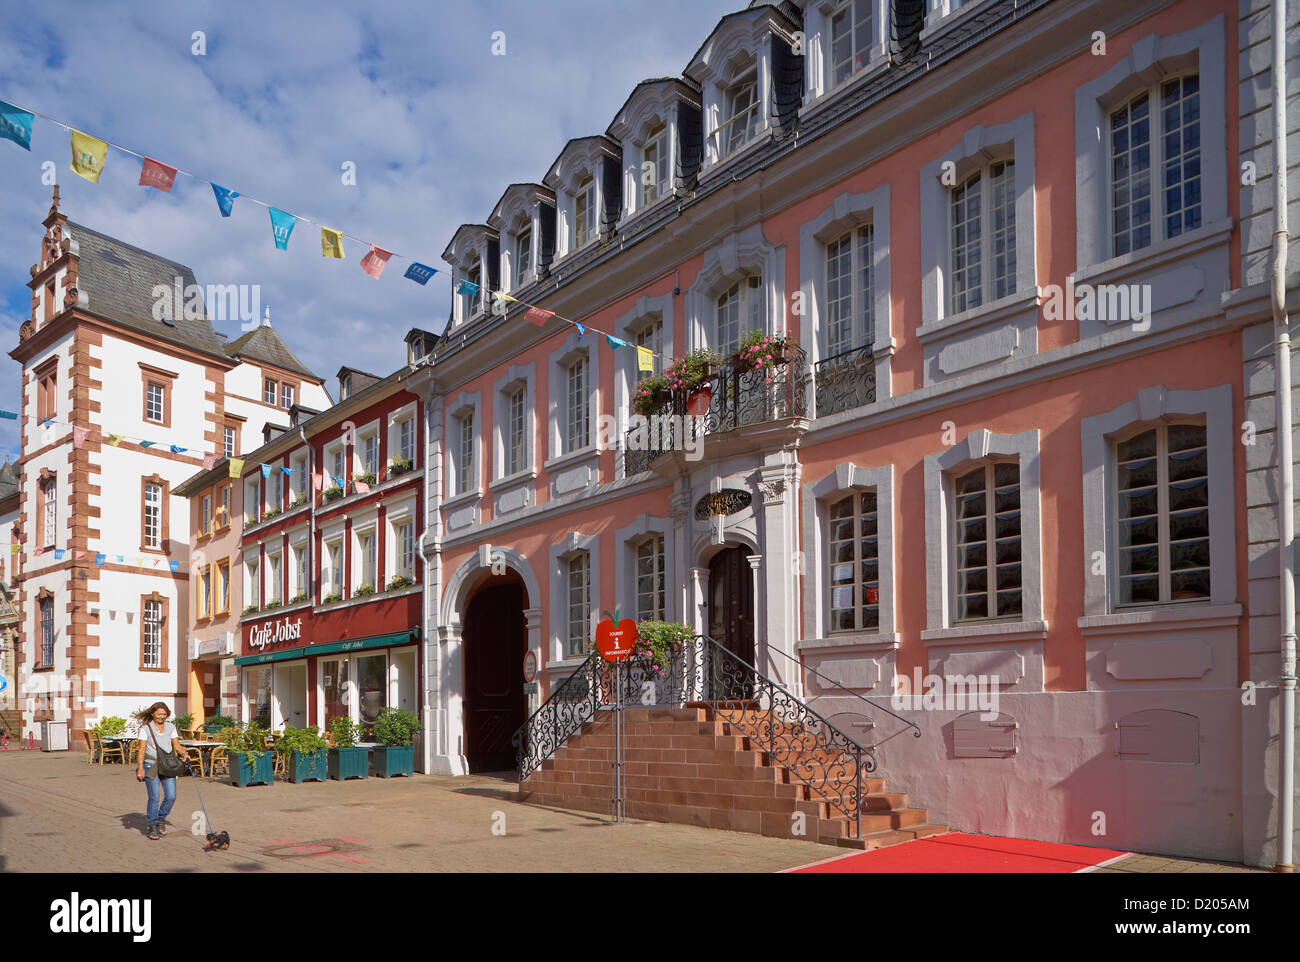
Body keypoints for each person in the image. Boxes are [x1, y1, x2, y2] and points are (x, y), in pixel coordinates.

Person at [133, 702, 193, 840]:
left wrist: (184, 753)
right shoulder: (145, 729)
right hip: (151, 765)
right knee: (154, 797)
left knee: (171, 795)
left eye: (164, 714)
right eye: (159, 714)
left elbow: (176, 745)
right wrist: (140, 768)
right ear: (153, 713)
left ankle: (161, 818)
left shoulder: (171, 727)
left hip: (167, 765)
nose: (161, 717)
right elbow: (141, 750)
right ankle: (153, 825)